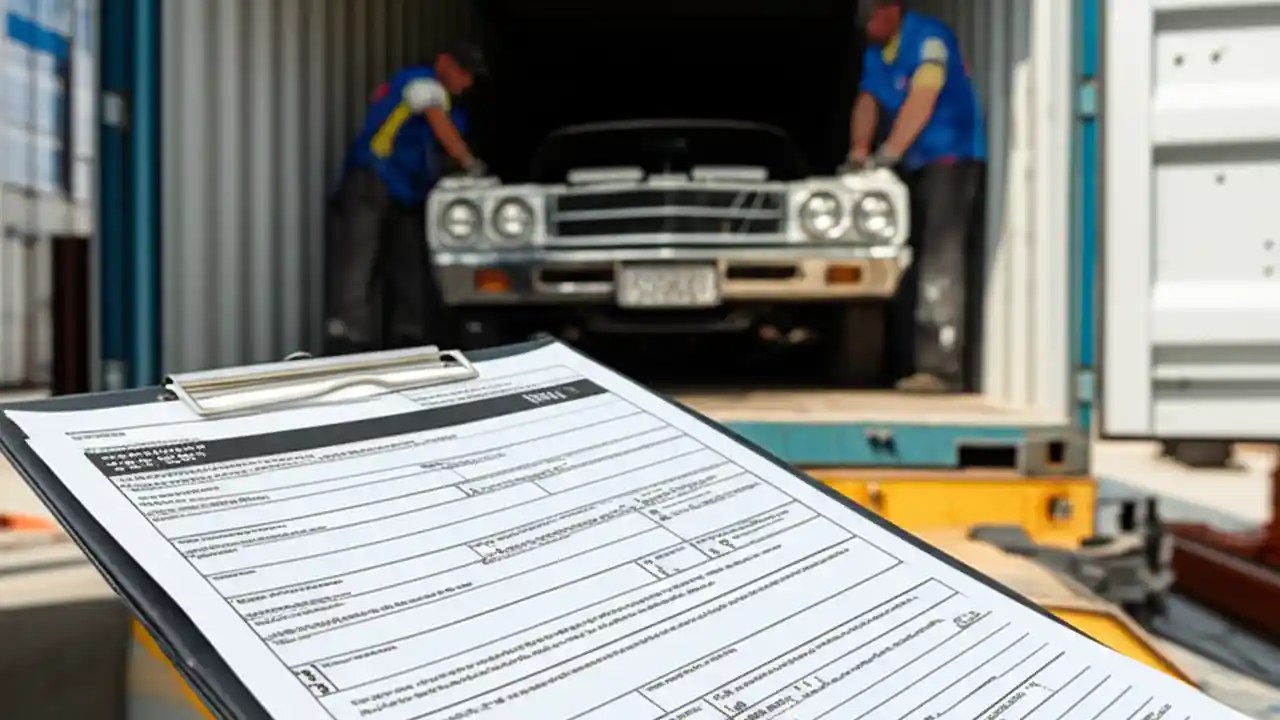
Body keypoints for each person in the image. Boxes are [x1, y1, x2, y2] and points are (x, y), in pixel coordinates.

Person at [843, 0, 986, 393]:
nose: (866, 28)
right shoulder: (878, 51)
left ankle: (941, 368)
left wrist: (889, 151)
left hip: (951, 159)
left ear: (891, 10)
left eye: (870, 18)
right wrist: (858, 152)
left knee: (941, 258)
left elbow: (923, 98)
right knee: (908, 261)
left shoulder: (929, 39)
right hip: (914, 164)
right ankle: (907, 359)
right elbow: (868, 101)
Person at [325, 43, 488, 355]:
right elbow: (444, 131)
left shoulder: (452, 108)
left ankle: (408, 337)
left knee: (408, 265)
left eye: (471, 77)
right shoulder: (420, 83)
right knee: (360, 260)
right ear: (443, 61)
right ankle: (346, 338)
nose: (466, 81)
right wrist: (472, 165)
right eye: (462, 71)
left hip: (406, 190)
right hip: (372, 179)